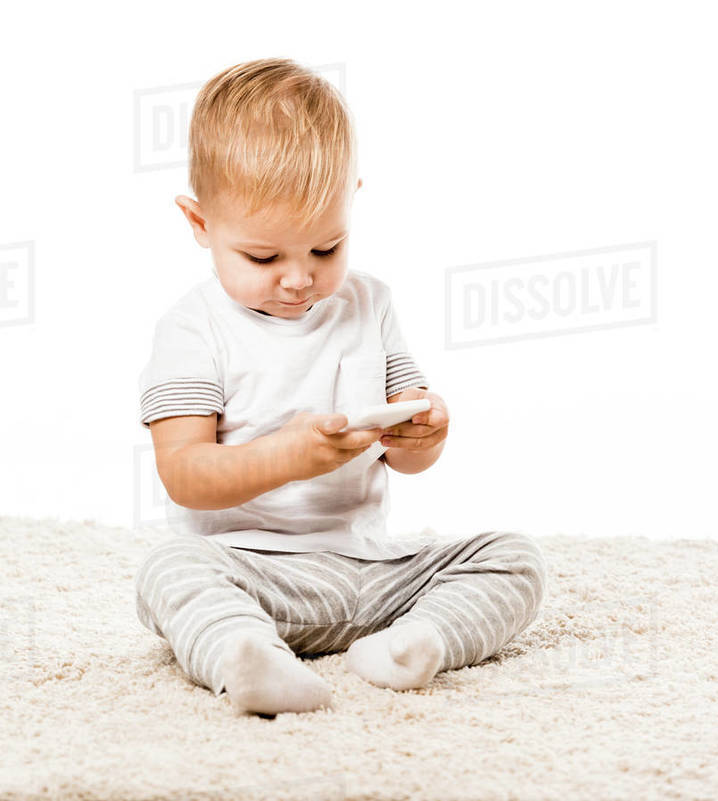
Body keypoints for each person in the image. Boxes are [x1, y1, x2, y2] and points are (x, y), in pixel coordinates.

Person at [135, 57, 547, 716]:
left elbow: (406, 454)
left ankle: (413, 641)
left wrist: (424, 432)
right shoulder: (192, 328)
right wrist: (287, 456)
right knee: (167, 572)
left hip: (370, 571)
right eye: (264, 257)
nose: (299, 278)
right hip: (252, 572)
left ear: (351, 200)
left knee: (514, 557)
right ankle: (250, 653)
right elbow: (183, 473)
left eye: (325, 249)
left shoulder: (370, 304)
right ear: (200, 223)